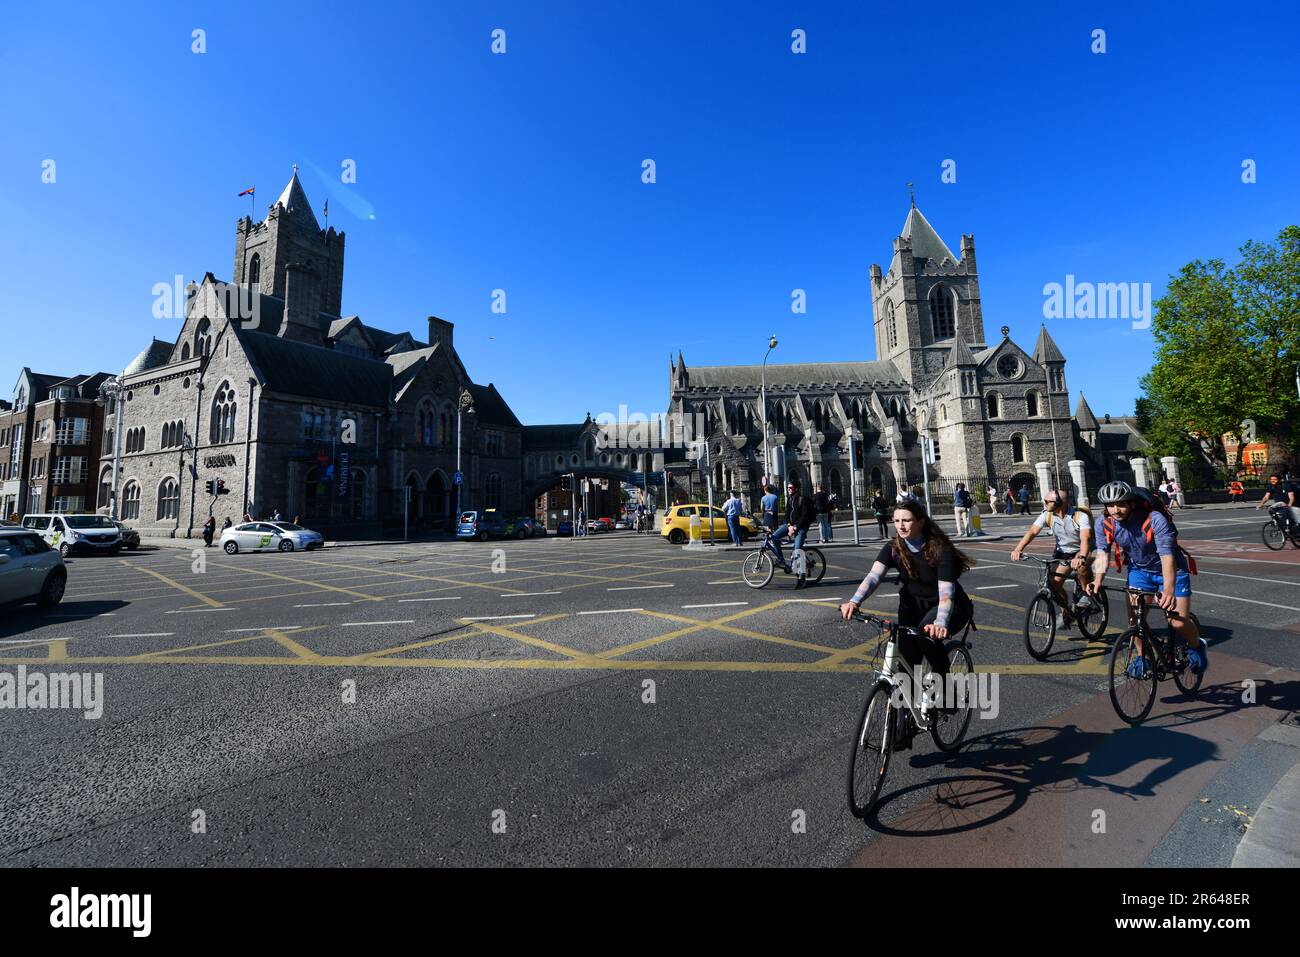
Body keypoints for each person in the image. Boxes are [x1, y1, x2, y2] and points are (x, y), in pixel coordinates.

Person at [840, 499, 975, 749]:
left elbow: (946, 593)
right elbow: (873, 576)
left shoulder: (938, 549)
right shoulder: (894, 548)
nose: (901, 526)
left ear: (920, 522)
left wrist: (941, 622)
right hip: (912, 607)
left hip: (948, 607)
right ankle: (904, 728)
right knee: (905, 665)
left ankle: (947, 695)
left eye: (907, 520)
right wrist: (854, 602)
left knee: (926, 635)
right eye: (897, 521)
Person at [1089, 480, 1205, 678]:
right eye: (1110, 505)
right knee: (1136, 623)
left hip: (1172, 570)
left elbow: (1167, 557)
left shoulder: (1154, 520)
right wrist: (1097, 580)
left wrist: (1167, 590)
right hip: (1139, 571)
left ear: (1132, 503)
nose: (1115, 510)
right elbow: (1102, 552)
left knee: (1177, 622)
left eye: (1121, 504)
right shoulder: (1104, 523)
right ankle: (1144, 659)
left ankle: (1196, 646)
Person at [1010, 489, 1093, 629]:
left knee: (1082, 566)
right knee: (1054, 584)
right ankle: (1067, 613)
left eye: (1048, 501)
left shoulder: (1080, 516)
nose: (1045, 503)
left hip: (1084, 549)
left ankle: (1086, 594)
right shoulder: (1047, 515)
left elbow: (1085, 539)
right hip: (1063, 553)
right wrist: (1018, 549)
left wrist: (1082, 556)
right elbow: (1032, 532)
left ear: (1060, 503)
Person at [770, 478, 817, 589]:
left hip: (801, 527)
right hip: (791, 526)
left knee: (797, 551)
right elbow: (787, 515)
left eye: (790, 488)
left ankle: (802, 578)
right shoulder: (790, 499)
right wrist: (789, 526)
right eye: (787, 488)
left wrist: (795, 528)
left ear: (796, 488)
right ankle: (781, 560)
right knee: (774, 537)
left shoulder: (803, 499)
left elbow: (805, 517)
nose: (788, 489)